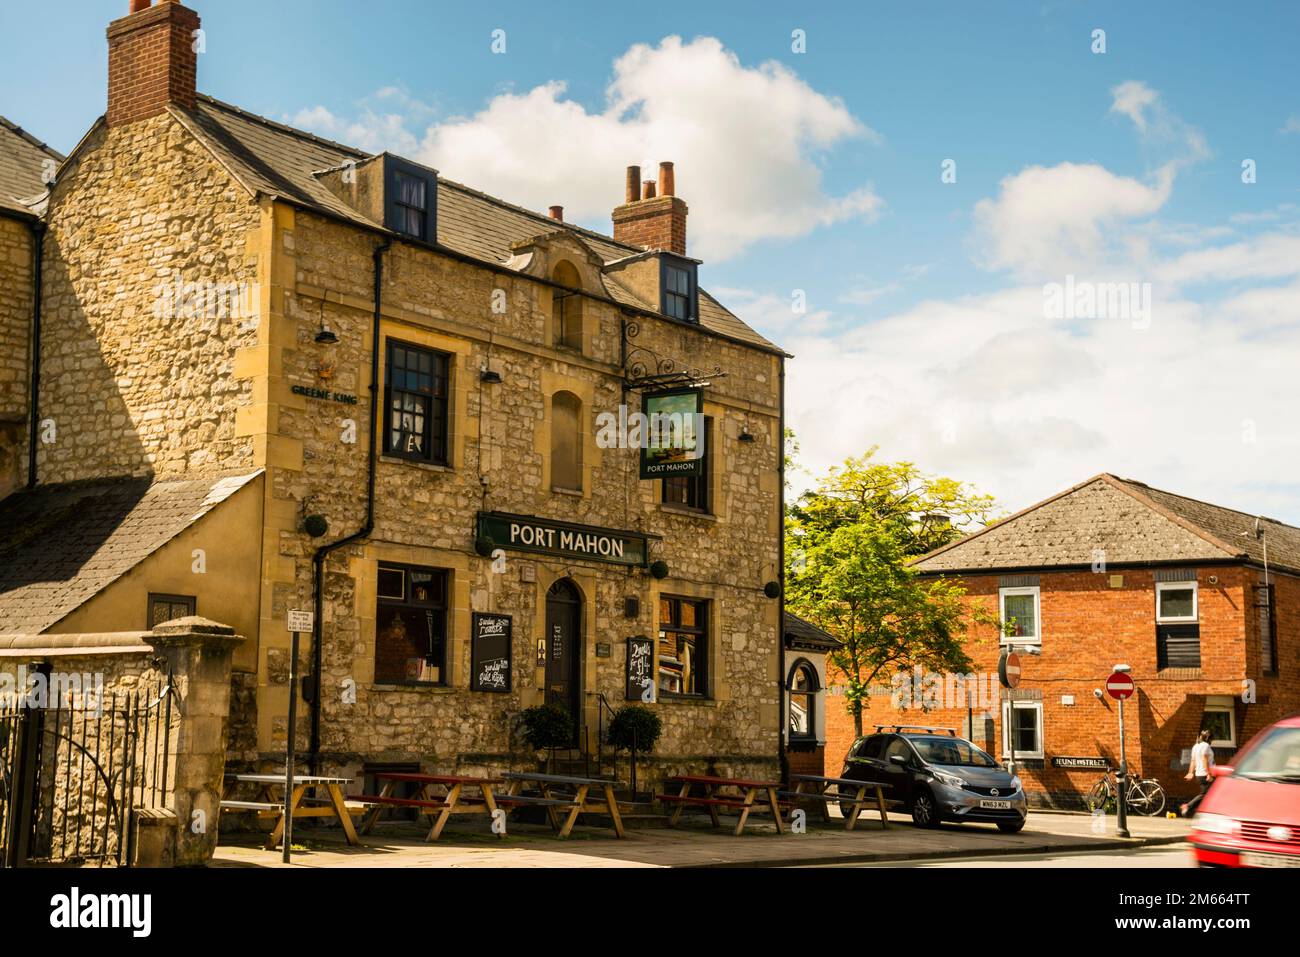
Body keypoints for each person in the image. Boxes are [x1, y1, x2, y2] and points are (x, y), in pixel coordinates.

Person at [1180, 729, 1215, 817]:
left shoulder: (1195, 746)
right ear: (1208, 738)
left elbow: (1193, 760)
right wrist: (1208, 774)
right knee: (1206, 794)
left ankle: (1204, 812)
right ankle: (1188, 806)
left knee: (1209, 794)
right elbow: (1204, 759)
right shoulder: (1206, 746)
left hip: (1199, 774)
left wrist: (1190, 772)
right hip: (1205, 774)